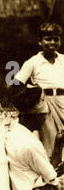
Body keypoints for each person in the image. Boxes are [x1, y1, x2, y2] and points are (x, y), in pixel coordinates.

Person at [14, 22, 64, 165]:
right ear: (39, 41)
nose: (52, 43)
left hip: (63, 100)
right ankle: (52, 178)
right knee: (52, 142)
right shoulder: (33, 62)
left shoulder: (63, 60)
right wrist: (30, 96)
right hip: (45, 104)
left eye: (56, 39)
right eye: (48, 39)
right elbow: (16, 84)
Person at [8, 91, 62, 190]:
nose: (46, 118)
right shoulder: (31, 144)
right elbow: (52, 179)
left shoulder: (14, 132)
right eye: (46, 115)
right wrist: (58, 147)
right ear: (37, 115)